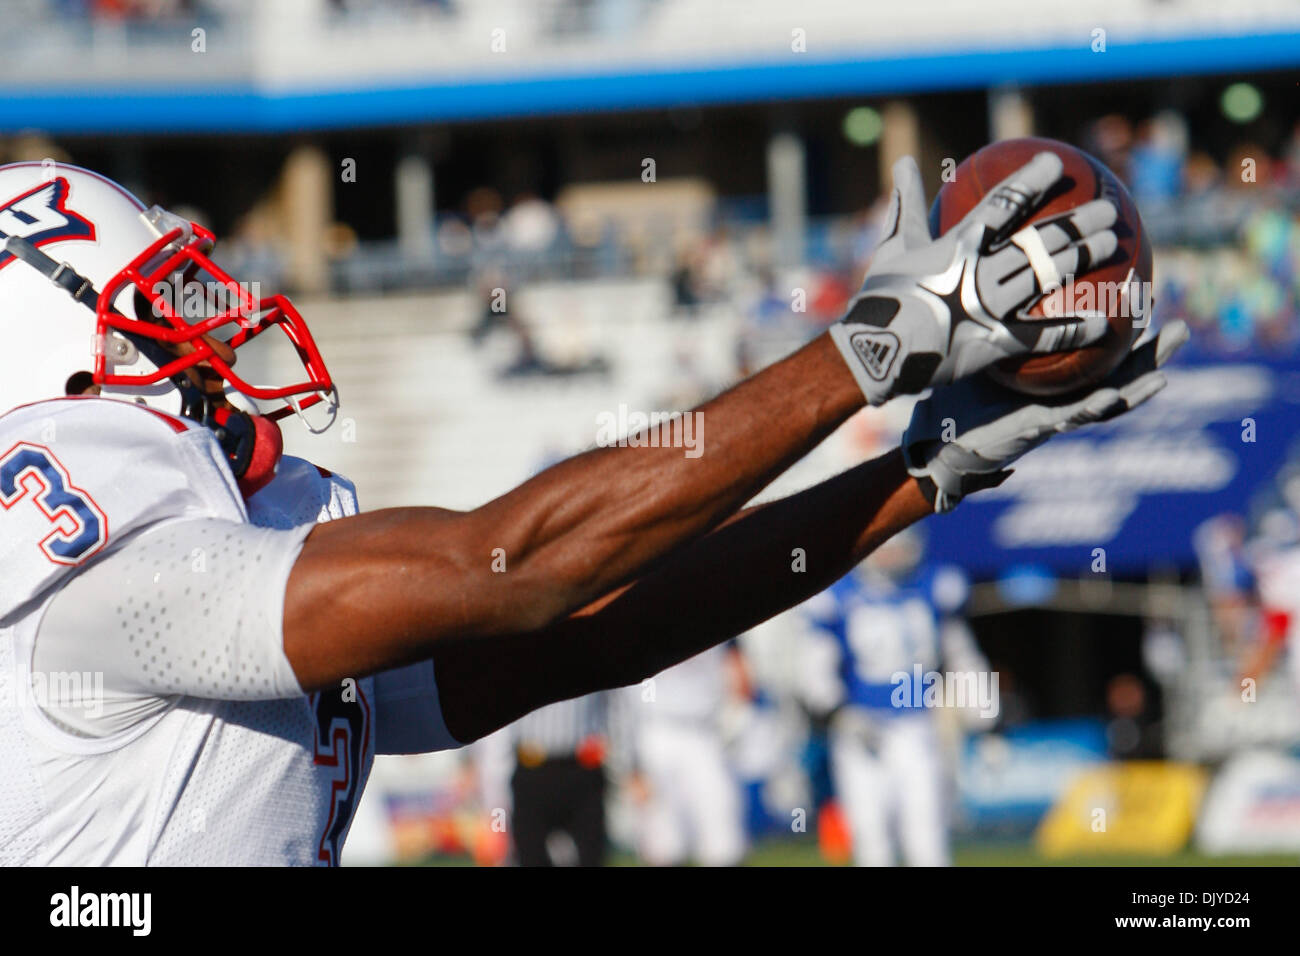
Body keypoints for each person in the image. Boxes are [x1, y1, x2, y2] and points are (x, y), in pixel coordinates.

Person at [0, 156, 1186, 864]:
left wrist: (910, 476)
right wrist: (867, 351)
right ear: (54, 367)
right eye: (156, 320)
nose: (211, 347)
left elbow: (584, 627)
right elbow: (504, 566)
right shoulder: (97, 575)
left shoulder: (209, 580)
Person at [796, 530, 988, 866]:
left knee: (927, 836)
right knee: (871, 839)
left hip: (918, 725)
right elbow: (816, 666)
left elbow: (963, 659)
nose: (892, 558)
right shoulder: (840, 596)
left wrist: (986, 720)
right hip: (861, 729)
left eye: (899, 550)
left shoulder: (932, 587)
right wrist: (837, 713)